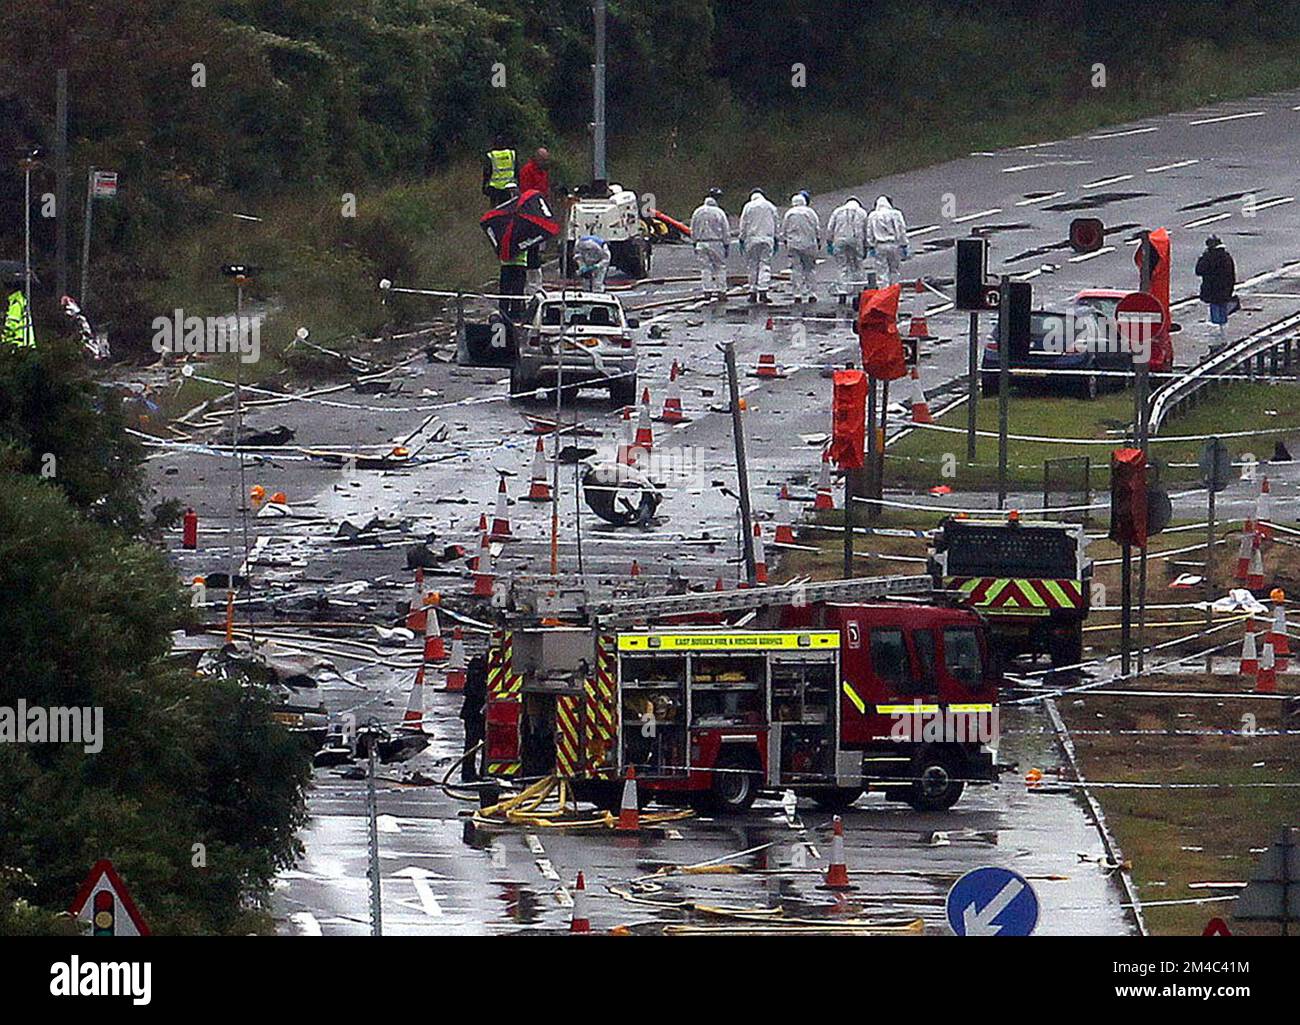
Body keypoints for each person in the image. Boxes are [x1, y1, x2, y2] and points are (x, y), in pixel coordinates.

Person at [519, 148, 552, 294]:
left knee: (538, 248)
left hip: (541, 211)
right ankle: (532, 285)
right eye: (544, 160)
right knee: (532, 249)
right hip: (531, 213)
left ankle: (536, 283)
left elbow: (544, 190)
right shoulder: (527, 171)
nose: (546, 163)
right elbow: (527, 194)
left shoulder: (543, 171)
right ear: (537, 158)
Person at [1195, 235, 1237, 349]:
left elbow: (1199, 270)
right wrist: (1230, 290)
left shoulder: (1208, 257)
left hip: (1212, 290)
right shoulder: (1227, 257)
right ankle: (1223, 336)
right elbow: (1232, 275)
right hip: (1225, 291)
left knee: (1214, 314)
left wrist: (1202, 257)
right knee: (1222, 313)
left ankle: (1216, 340)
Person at [689, 189, 731, 301]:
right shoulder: (719, 212)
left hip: (701, 242)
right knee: (720, 267)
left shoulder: (697, 211)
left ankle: (707, 291)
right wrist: (727, 244)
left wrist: (694, 242)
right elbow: (725, 230)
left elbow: (692, 229)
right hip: (716, 243)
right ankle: (721, 291)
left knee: (705, 268)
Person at [738, 188, 778, 303]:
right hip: (767, 238)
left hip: (752, 239)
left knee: (752, 265)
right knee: (764, 265)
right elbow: (776, 222)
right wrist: (776, 237)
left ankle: (753, 292)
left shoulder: (748, 206)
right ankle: (763, 291)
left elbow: (743, 223)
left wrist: (741, 238)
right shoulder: (770, 206)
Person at [826, 196, 868, 303]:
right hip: (856, 240)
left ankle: (842, 292)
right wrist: (866, 245)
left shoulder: (837, 211)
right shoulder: (862, 213)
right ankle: (859, 291)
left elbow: (830, 227)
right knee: (858, 265)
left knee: (842, 266)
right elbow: (866, 230)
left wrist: (829, 242)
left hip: (840, 240)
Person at [782, 192, 821, 303]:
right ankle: (812, 293)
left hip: (793, 244)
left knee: (796, 270)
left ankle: (797, 294)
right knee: (810, 269)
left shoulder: (789, 213)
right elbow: (816, 228)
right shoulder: (810, 212)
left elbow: (784, 230)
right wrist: (818, 240)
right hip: (809, 244)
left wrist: (786, 241)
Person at [867, 195, 909, 287]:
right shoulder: (896, 213)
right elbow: (901, 229)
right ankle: (895, 291)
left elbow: (869, 232)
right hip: (894, 245)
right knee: (894, 270)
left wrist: (871, 245)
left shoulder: (873, 215)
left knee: (882, 271)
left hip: (880, 246)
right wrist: (904, 244)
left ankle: (884, 293)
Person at [459, 653, 488, 782]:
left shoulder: (476, 666)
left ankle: (470, 772)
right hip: (475, 712)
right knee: (475, 744)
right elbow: (473, 690)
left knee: (472, 744)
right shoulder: (479, 668)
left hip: (473, 712)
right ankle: (475, 772)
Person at [482, 132, 518, 206]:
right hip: (510, 187)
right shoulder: (511, 154)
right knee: (509, 208)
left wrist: (484, 186)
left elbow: (487, 173)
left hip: (495, 188)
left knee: (496, 211)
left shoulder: (491, 155)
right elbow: (517, 171)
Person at [2, 279, 35, 348]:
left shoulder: (15, 303)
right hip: (25, 342)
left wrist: (3, 337)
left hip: (16, 344)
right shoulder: (21, 300)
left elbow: (11, 324)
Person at [498, 250, 527, 318]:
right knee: (518, 291)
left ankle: (503, 314)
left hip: (506, 263)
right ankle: (515, 314)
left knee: (504, 292)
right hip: (520, 263)